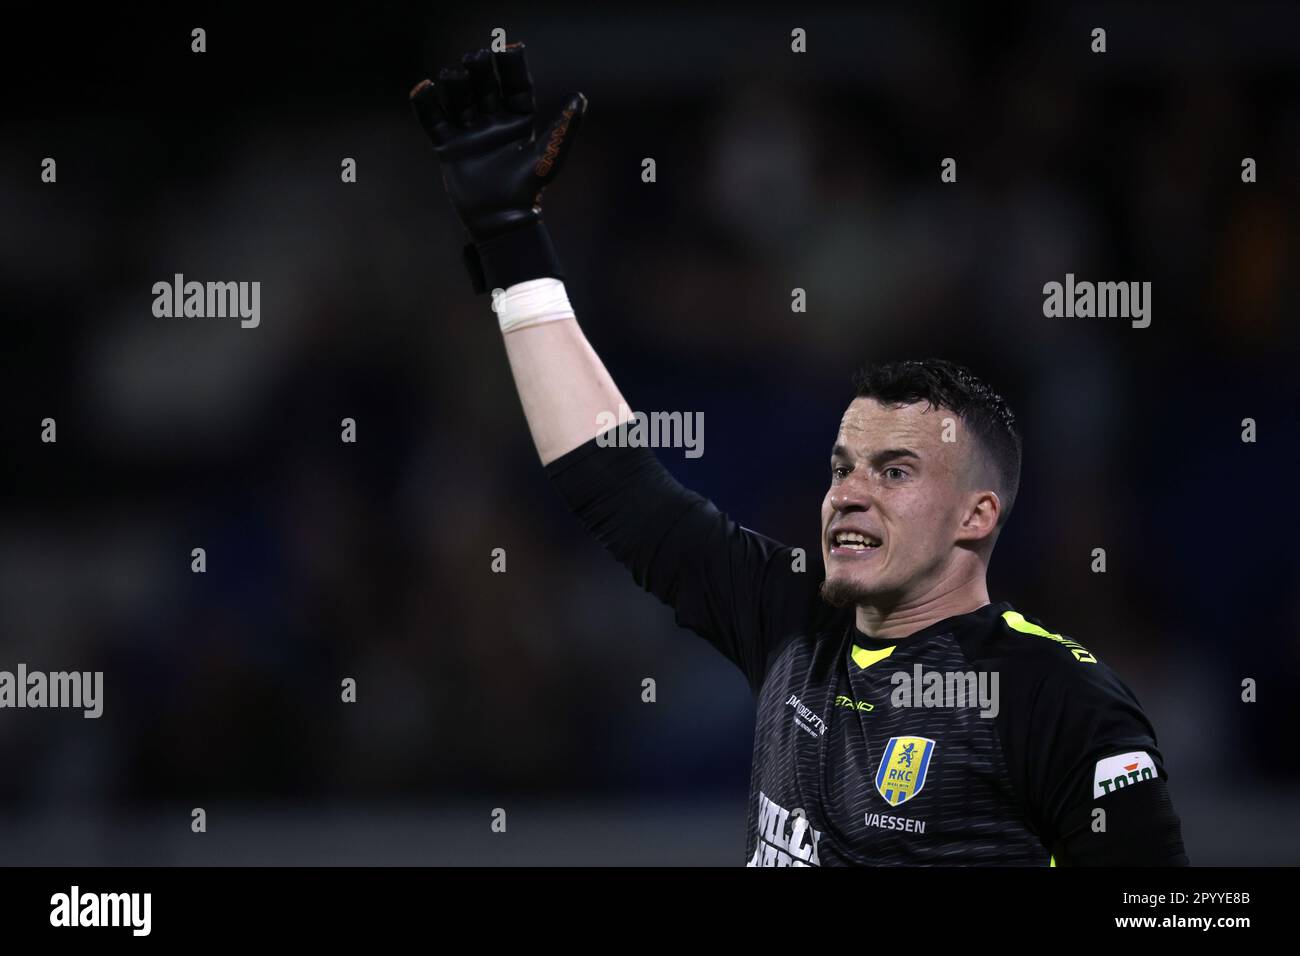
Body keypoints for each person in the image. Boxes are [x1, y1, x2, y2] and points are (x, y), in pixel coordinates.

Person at [410, 45, 1188, 866]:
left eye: (893, 471)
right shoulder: (791, 623)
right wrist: (510, 242)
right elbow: (612, 476)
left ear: (977, 514)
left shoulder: (1057, 699)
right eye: (842, 467)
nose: (850, 493)